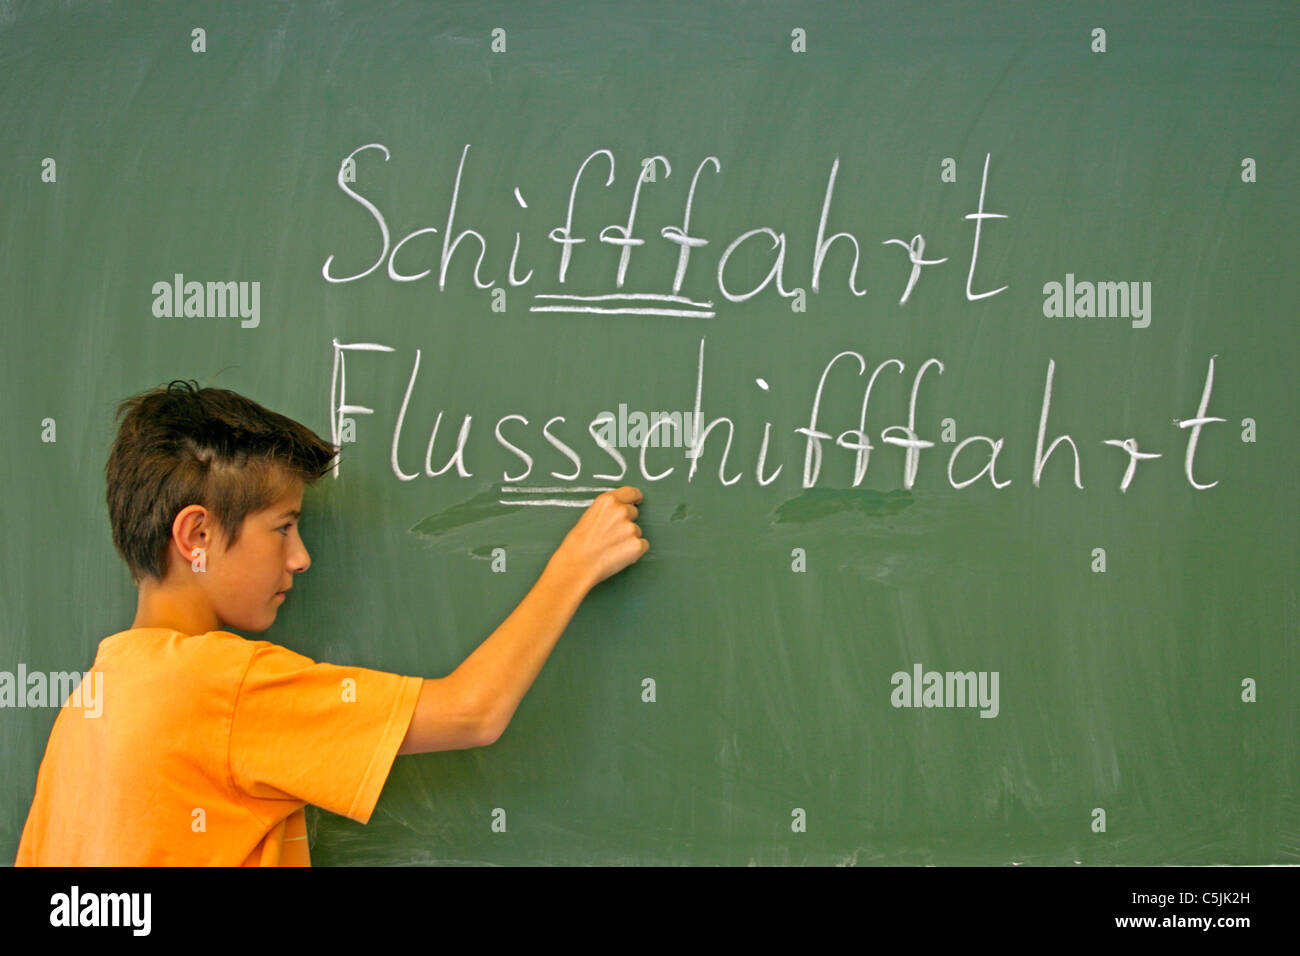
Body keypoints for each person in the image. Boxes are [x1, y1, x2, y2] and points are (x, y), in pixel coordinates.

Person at [14, 380, 647, 865]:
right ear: (197, 534)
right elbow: (472, 712)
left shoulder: (88, 706)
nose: (301, 557)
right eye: (284, 528)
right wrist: (576, 564)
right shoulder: (218, 686)